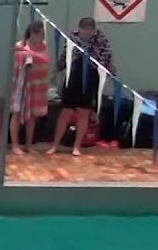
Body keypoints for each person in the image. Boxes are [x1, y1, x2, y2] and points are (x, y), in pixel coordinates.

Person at [46, 17, 115, 157]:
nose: (86, 35)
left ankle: (77, 147)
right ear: (80, 29)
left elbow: (107, 59)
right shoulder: (73, 36)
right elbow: (65, 55)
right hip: (74, 75)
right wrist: (57, 69)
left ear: (93, 30)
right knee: (66, 112)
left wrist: (111, 73)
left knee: (84, 113)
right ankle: (55, 145)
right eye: (83, 32)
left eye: (88, 33)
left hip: (91, 76)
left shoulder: (101, 39)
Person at [9, 21, 50, 156]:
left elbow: (45, 60)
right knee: (16, 113)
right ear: (31, 33)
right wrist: (26, 52)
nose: (40, 38)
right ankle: (15, 145)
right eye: (38, 35)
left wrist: (29, 53)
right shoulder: (19, 46)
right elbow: (15, 66)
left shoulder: (42, 46)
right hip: (21, 86)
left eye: (42, 35)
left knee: (32, 116)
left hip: (36, 86)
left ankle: (29, 145)